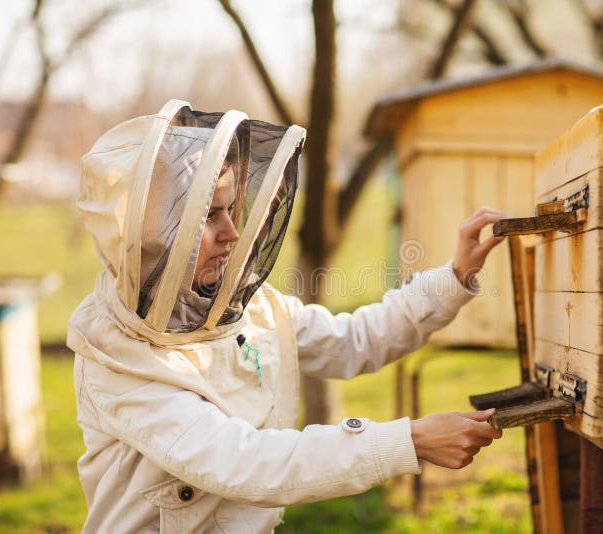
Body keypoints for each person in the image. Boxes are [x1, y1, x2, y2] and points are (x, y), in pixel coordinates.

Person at [67, 100, 507, 533]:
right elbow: (243, 462)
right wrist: (407, 441)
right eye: (210, 216)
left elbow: (354, 340)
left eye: (230, 210)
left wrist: (455, 275)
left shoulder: (247, 307)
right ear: (155, 232)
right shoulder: (113, 355)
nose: (232, 233)